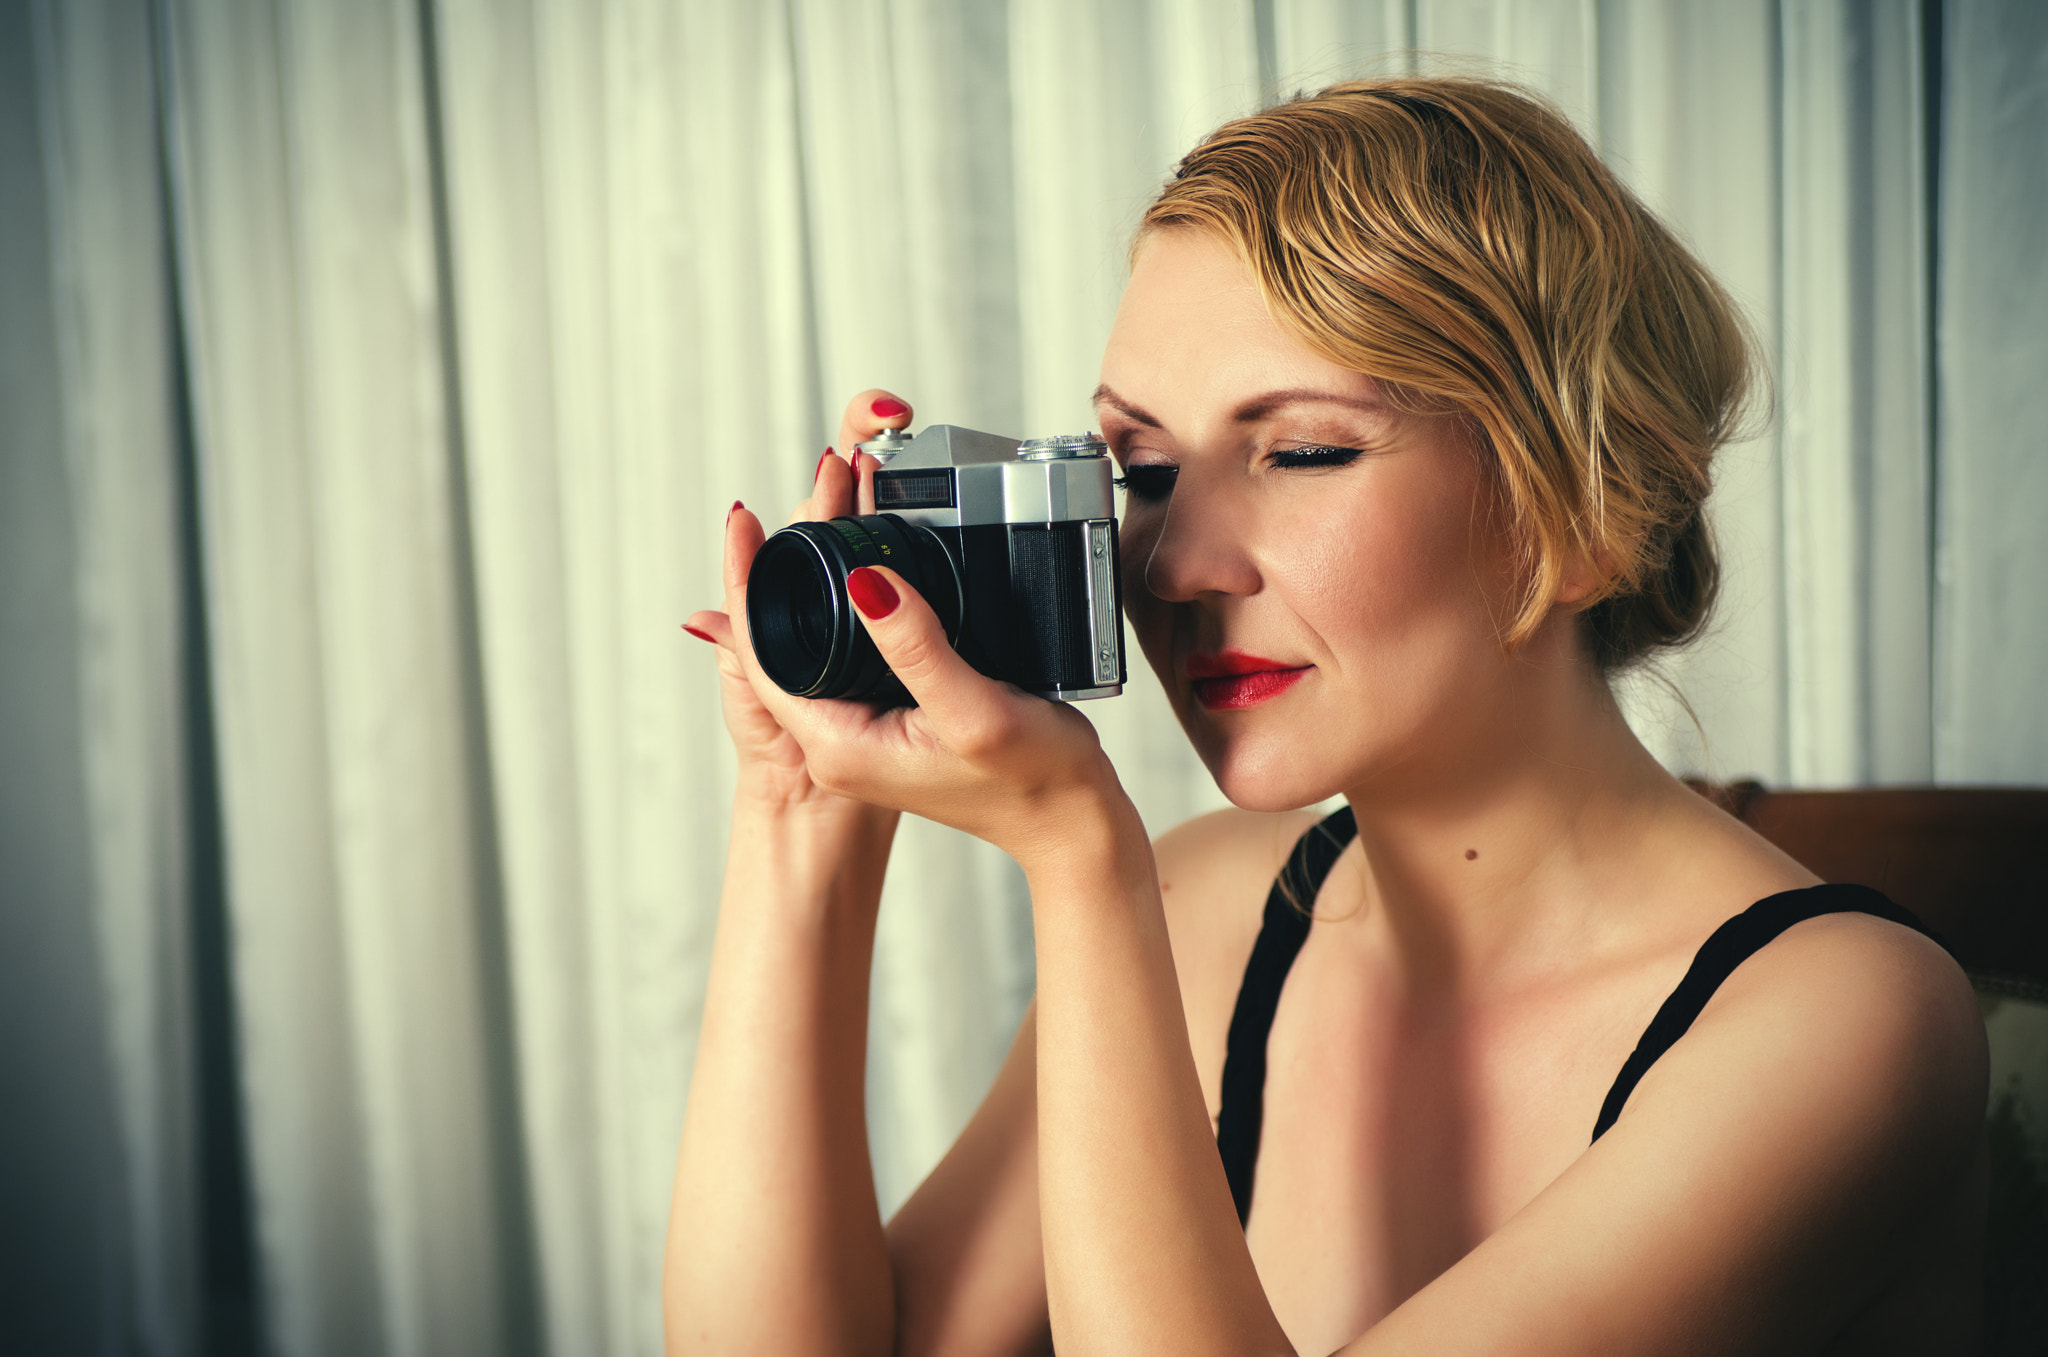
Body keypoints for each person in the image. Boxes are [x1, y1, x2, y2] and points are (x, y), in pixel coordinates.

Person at [664, 78, 1987, 1356]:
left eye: (1301, 452)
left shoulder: (1846, 1026)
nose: (1175, 565)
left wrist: (1078, 858)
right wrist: (799, 811)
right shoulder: (1209, 913)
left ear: (1584, 512)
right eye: (1144, 469)